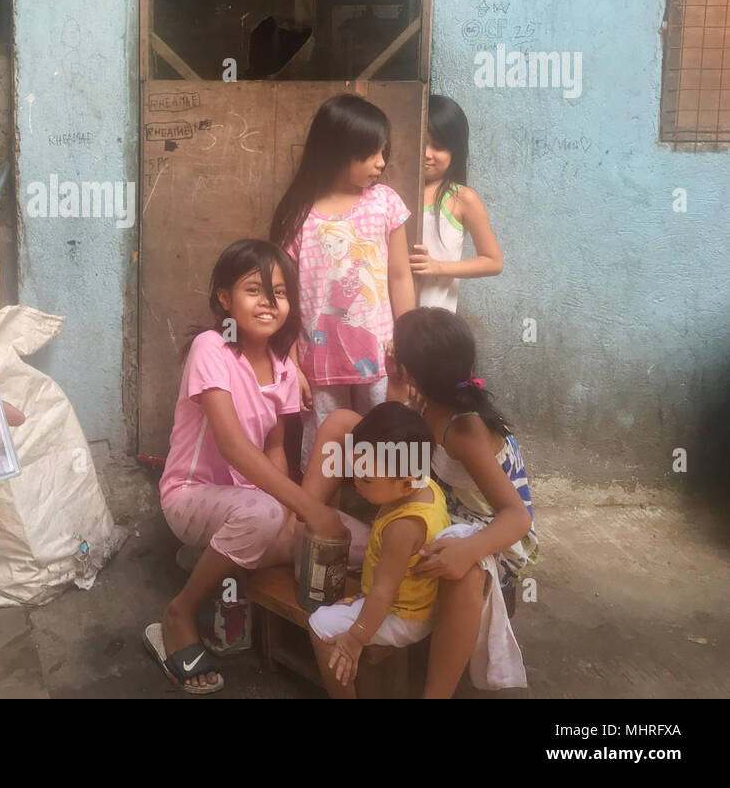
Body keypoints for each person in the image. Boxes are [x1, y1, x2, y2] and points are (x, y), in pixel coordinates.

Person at [303, 307, 536, 697]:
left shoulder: (465, 428)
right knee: (346, 423)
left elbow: (517, 518)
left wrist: (467, 551)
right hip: (437, 508)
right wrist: (396, 380)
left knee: (463, 572)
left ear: (414, 371)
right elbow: (388, 427)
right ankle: (304, 526)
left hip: (492, 534)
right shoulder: (427, 404)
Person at [145, 239, 343, 695]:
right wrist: (306, 510)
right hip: (192, 496)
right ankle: (180, 611)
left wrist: (302, 519)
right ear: (223, 297)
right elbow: (234, 448)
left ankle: (217, 555)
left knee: (346, 540)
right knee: (274, 517)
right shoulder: (212, 347)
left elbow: (276, 450)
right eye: (255, 290)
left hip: (251, 502)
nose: (270, 303)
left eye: (280, 292)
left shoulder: (284, 368)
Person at [270, 94, 416, 472]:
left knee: (387, 443)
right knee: (326, 453)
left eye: (383, 152)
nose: (381, 163)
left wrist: (410, 340)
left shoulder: (384, 203)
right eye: (369, 154)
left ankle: (384, 517)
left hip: (380, 352)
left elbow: (400, 275)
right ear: (335, 151)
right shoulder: (299, 213)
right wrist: (291, 363)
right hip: (318, 358)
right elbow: (282, 293)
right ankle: (324, 520)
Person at [307, 402, 450, 699]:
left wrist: (355, 638)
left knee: (320, 625)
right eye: (355, 469)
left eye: (366, 479)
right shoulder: (425, 486)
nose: (356, 483)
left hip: (404, 615)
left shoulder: (403, 528)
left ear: (406, 484)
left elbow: (384, 592)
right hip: (420, 599)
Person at [411, 96, 504, 311]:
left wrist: (438, 267)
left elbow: (493, 262)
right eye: (421, 142)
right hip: (386, 322)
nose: (427, 154)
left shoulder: (462, 198)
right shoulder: (390, 193)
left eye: (439, 146)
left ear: (456, 150)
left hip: (434, 322)